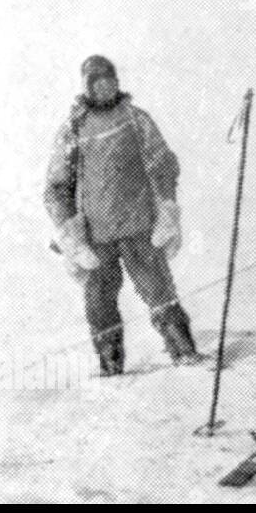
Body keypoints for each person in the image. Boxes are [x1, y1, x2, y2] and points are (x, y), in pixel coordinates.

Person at [44, 55, 202, 375]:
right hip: (96, 236)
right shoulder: (73, 129)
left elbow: (163, 164)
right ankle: (111, 365)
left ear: (117, 82)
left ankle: (183, 349)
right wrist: (70, 233)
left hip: (140, 226)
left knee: (159, 289)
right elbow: (57, 187)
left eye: (109, 81)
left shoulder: (134, 118)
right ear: (87, 87)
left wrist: (168, 207)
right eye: (97, 83)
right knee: (99, 302)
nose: (105, 88)